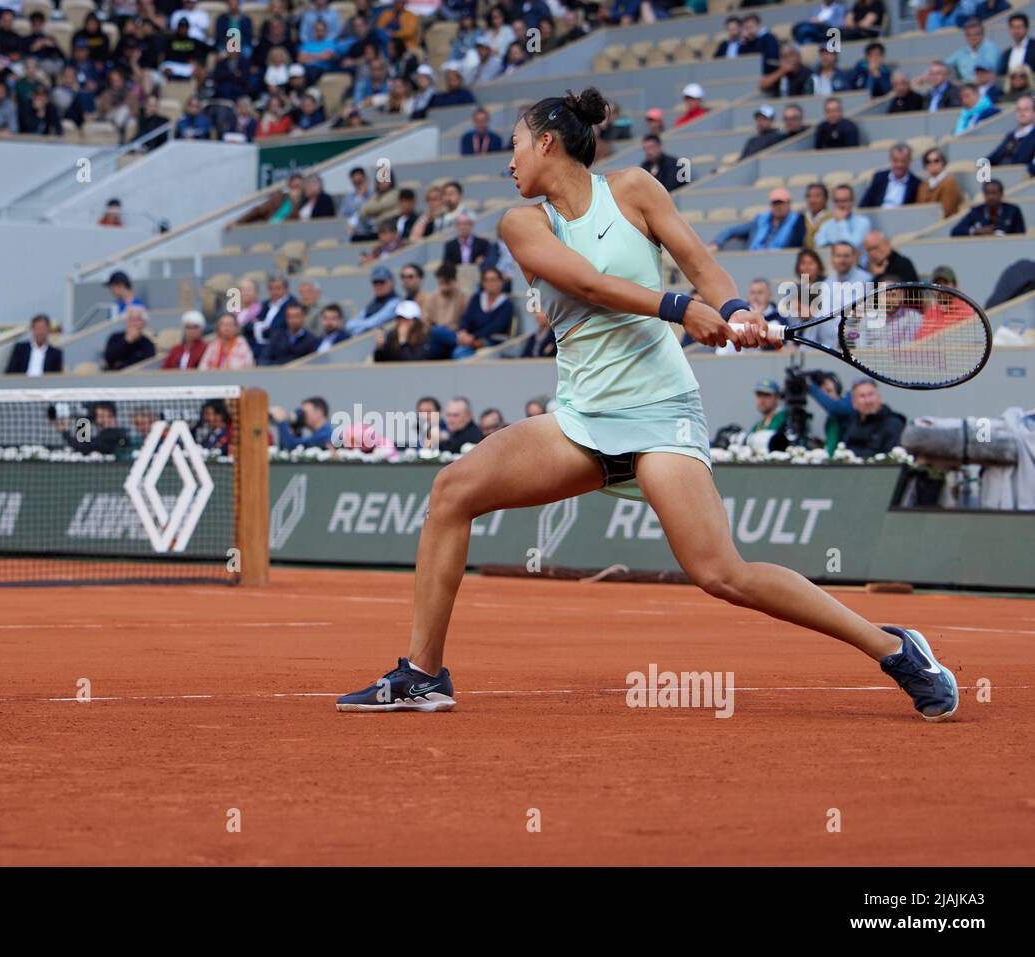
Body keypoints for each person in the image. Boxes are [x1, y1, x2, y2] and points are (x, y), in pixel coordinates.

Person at [335, 86, 957, 721]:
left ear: (547, 143)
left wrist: (738, 311)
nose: (510, 161)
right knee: (452, 491)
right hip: (581, 420)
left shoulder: (633, 189)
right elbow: (587, 283)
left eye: (515, 146)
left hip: (661, 411)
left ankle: (894, 647)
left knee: (720, 574)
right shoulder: (522, 223)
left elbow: (701, 264)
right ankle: (421, 673)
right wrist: (684, 310)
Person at [707, 187, 806, 251]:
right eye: (775, 203)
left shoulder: (798, 222)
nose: (778, 207)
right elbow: (731, 230)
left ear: (789, 204)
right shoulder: (759, 221)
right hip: (753, 260)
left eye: (781, 203)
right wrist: (716, 243)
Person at [843, 380, 905, 458]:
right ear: (854, 403)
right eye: (862, 396)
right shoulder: (851, 423)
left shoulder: (893, 423)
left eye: (871, 394)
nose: (868, 401)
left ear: (879, 397)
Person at [951, 179, 1026, 235]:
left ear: (1001, 194)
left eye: (994, 193)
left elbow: (1021, 234)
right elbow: (955, 231)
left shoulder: (1013, 211)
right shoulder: (976, 211)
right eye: (987, 193)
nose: (990, 197)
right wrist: (977, 230)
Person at [57, 400, 129, 456]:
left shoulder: (113, 435)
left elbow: (83, 447)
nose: (97, 419)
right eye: (98, 416)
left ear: (110, 415)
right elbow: (83, 443)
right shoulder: (107, 434)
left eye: (100, 416)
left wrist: (64, 432)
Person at [860, 143, 921, 208]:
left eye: (903, 161)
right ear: (890, 160)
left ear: (909, 161)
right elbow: (864, 204)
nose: (899, 165)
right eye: (896, 161)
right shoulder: (879, 177)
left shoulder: (917, 184)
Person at [815, 184, 873, 249]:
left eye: (844, 201)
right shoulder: (826, 224)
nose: (840, 205)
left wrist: (841, 222)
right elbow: (820, 245)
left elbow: (851, 247)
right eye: (837, 201)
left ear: (852, 201)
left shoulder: (863, 222)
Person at [914, 147, 964, 217]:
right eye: (928, 162)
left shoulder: (950, 183)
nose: (932, 164)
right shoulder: (923, 186)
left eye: (936, 161)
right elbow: (917, 209)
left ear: (943, 162)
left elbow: (947, 211)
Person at [987, 94, 1035, 165]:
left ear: (1034, 113)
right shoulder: (1011, 136)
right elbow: (994, 157)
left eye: (1026, 109)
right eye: (1019, 110)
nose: (1021, 113)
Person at [103, 305, 156, 370]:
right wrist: (127, 340)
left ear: (143, 323)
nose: (134, 323)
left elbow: (149, 364)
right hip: (113, 375)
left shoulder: (147, 343)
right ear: (126, 321)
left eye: (137, 320)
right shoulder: (115, 337)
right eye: (131, 319)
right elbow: (109, 358)